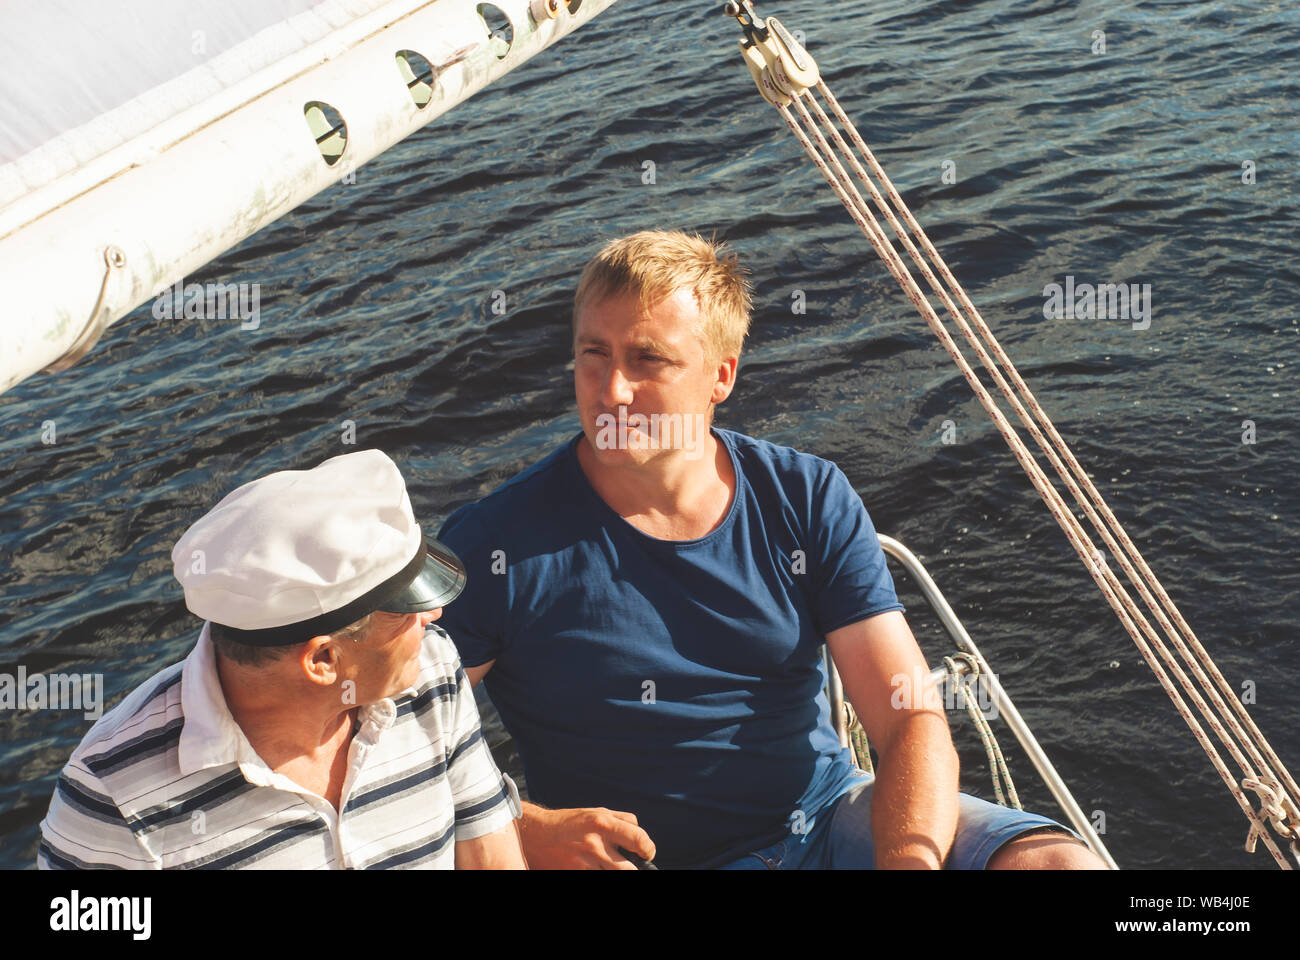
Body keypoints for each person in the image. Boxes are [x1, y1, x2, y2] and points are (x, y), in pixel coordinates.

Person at [436, 230, 1104, 869]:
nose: (611, 390)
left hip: (830, 822)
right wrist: (525, 828)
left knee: (1058, 863)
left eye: (647, 360)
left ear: (719, 376)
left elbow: (908, 721)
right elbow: (393, 749)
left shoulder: (805, 496)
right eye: (593, 354)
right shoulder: (494, 545)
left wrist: (905, 863)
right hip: (642, 863)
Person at [38, 449, 525, 869]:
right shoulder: (112, 796)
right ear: (324, 661)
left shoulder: (431, 670)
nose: (433, 616)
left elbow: (492, 858)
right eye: (403, 611)